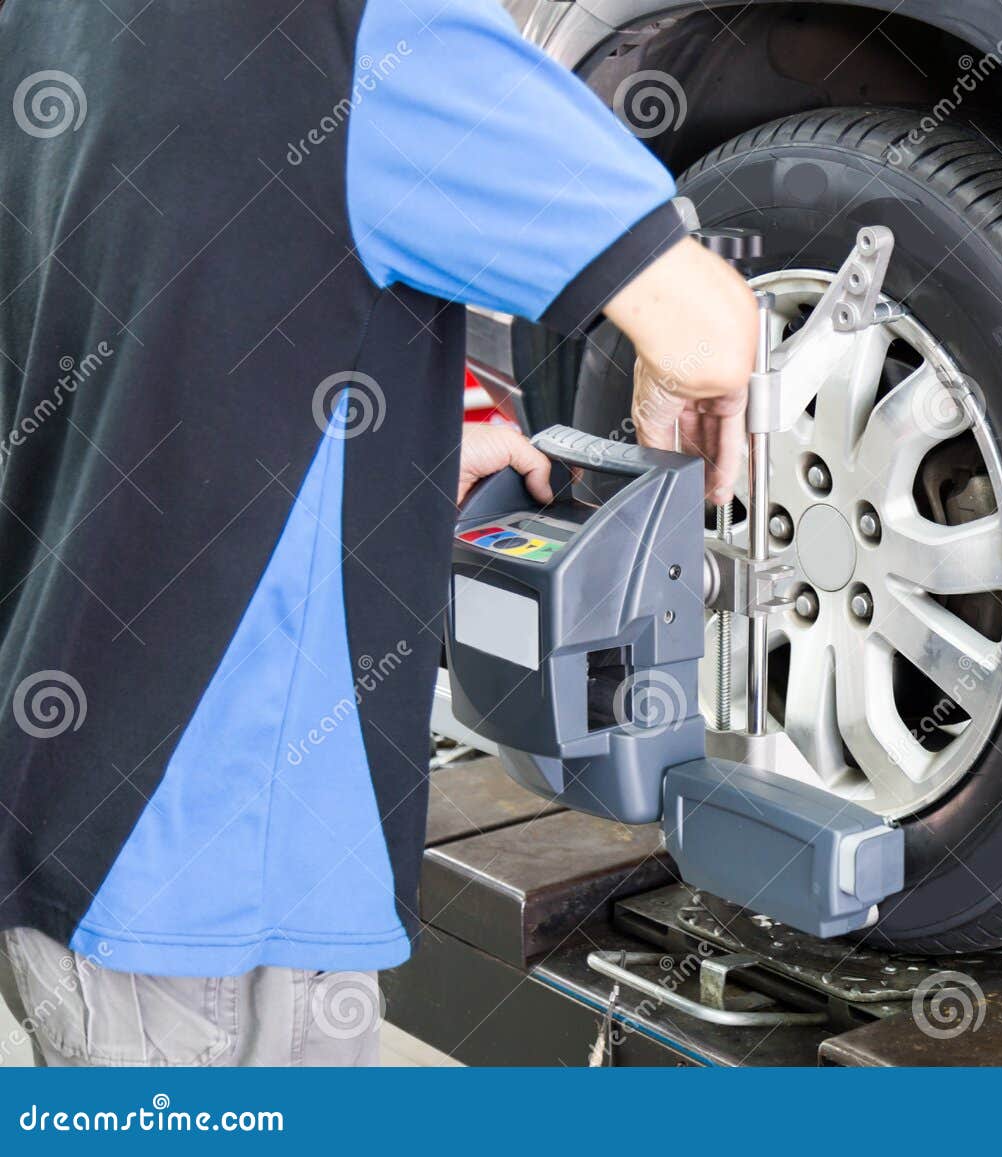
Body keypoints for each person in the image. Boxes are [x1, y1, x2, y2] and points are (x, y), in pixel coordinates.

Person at [0, 0, 754, 1065]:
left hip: (75, 804)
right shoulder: (377, 33)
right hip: (222, 893)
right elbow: (712, 329)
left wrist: (370, 427)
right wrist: (682, 374)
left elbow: (158, 299)